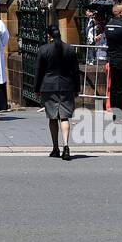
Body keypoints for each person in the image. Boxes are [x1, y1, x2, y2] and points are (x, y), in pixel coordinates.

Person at [35, 24, 80, 160]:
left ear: (49, 35)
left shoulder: (43, 50)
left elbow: (39, 72)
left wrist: (37, 88)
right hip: (66, 85)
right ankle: (66, 145)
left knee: (53, 118)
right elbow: (75, 72)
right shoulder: (70, 49)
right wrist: (77, 88)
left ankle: (55, 147)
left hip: (48, 86)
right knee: (65, 117)